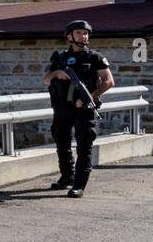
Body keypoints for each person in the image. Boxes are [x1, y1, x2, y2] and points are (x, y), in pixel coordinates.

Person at [43, 19, 113, 198]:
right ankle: (67, 177)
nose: (84, 36)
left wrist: (92, 96)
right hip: (62, 108)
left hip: (83, 109)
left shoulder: (95, 57)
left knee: (84, 145)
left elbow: (108, 81)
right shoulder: (61, 58)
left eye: (86, 33)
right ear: (70, 36)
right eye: (80, 32)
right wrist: (57, 73)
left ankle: (79, 185)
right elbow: (46, 79)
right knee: (62, 142)